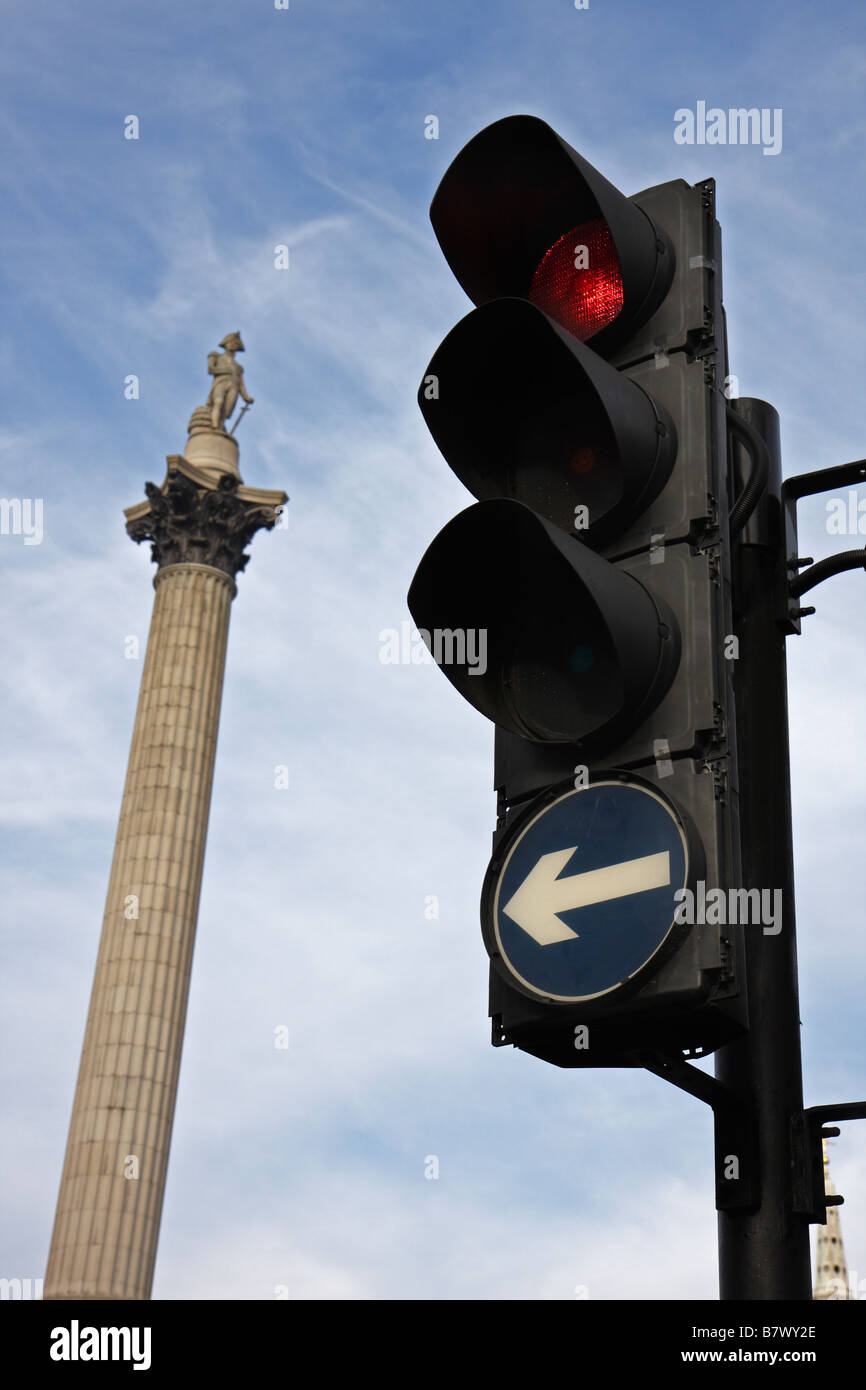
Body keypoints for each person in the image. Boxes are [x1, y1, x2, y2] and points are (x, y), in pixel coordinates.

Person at [206, 332, 254, 432]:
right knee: (218, 402)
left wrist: (245, 397)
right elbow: (211, 370)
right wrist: (226, 370)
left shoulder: (238, 367)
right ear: (226, 344)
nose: (232, 345)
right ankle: (213, 425)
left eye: (235, 344)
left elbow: (241, 384)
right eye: (231, 342)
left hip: (234, 387)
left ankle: (220, 428)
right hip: (221, 382)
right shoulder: (215, 356)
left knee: (226, 411)